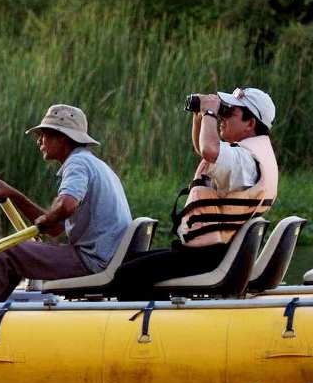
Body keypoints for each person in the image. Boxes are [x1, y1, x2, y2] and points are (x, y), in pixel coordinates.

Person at [110, 87, 278, 299]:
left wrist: (210, 113)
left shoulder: (244, 161)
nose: (221, 117)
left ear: (250, 124)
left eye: (229, 112)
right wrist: (200, 116)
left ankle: (156, 325)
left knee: (127, 274)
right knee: (132, 260)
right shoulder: (248, 154)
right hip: (213, 251)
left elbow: (209, 149)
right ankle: (166, 313)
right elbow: (204, 149)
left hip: (210, 255)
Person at [0, 104, 131, 303]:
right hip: (102, 257)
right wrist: (14, 195)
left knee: (9, 253)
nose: (39, 141)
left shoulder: (77, 163)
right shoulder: (94, 164)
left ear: (62, 137)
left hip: (93, 261)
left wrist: (47, 218)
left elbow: (66, 206)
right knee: (15, 251)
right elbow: (55, 228)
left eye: (44, 134)